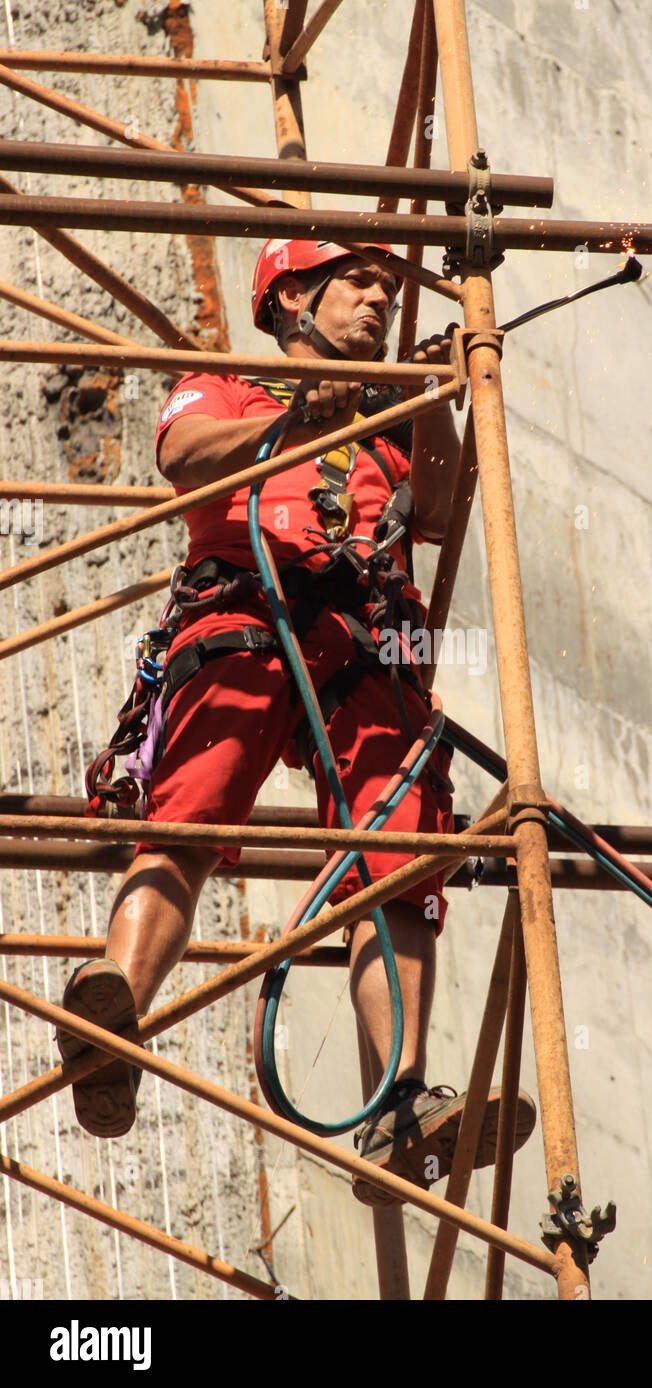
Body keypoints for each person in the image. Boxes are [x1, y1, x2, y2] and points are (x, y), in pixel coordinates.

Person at [57, 239, 535, 1206]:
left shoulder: (390, 418)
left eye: (388, 289)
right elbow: (183, 460)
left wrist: (435, 395)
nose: (378, 300)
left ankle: (399, 1106)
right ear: (291, 301)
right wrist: (292, 421)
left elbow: (436, 509)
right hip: (245, 612)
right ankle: (109, 1014)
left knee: (398, 849)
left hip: (366, 639)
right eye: (358, 283)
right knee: (193, 808)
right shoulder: (229, 384)